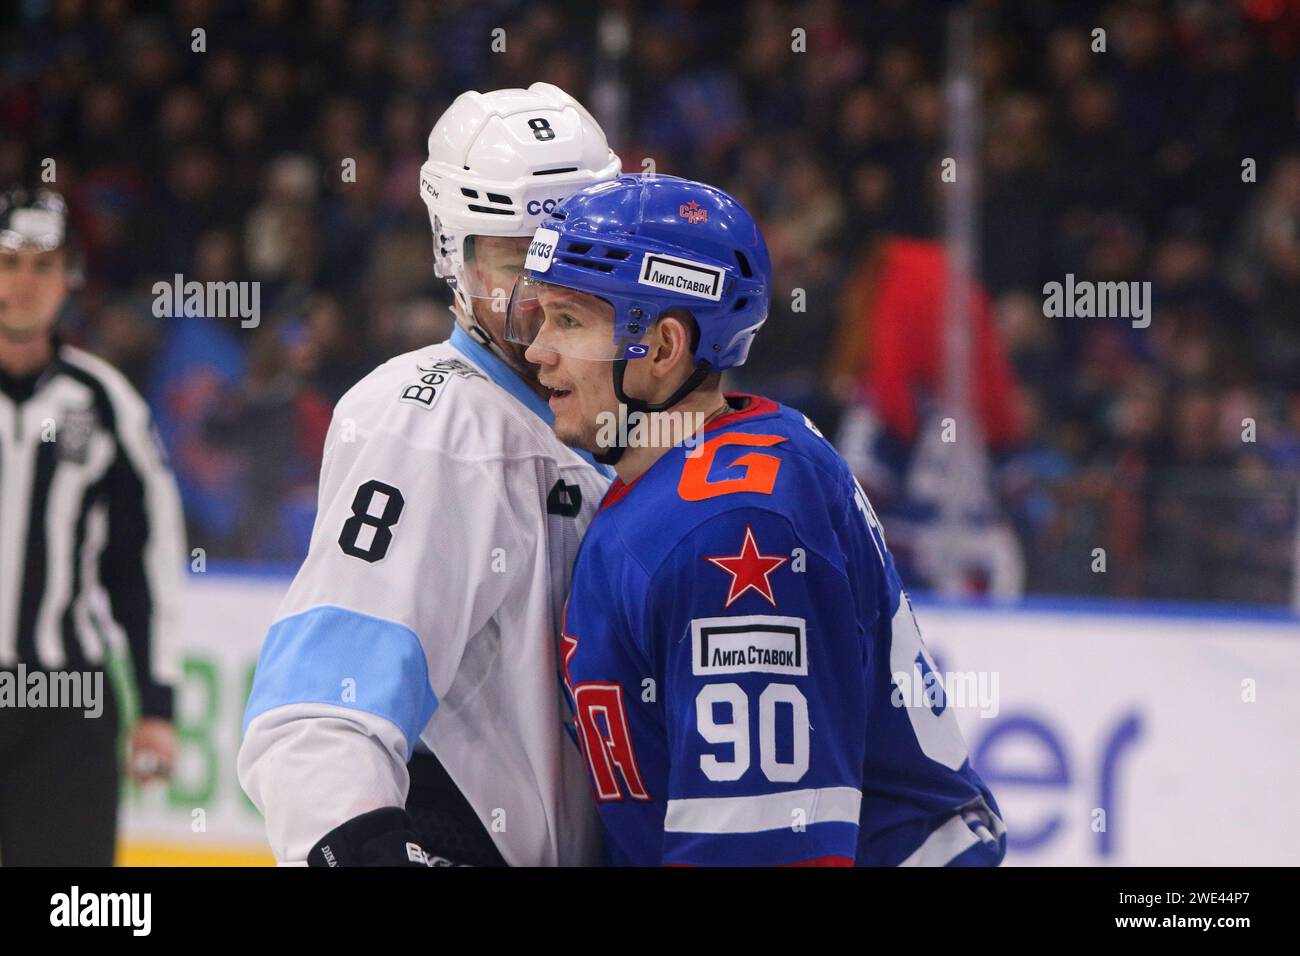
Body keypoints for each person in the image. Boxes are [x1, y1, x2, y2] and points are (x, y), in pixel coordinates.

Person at [507, 174, 1006, 865]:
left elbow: (769, 850)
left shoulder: (732, 528)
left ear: (661, 347)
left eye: (569, 321)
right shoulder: (667, 482)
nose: (539, 352)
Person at [238, 84, 621, 866]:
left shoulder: (618, 415)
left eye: (579, 260)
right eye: (521, 265)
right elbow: (319, 714)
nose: (550, 298)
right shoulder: (430, 424)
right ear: (455, 253)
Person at [0, 186, 185, 865]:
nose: (25, 282)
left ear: (68, 279)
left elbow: (142, 562)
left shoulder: (105, 403)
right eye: (10, 261)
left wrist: (156, 706)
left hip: (65, 707)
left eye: (44, 265)